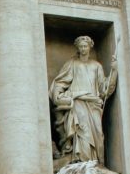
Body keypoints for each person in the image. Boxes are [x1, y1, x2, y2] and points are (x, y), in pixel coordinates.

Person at [49, 35, 117, 166]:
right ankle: (83, 163)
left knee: (98, 134)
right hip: (78, 103)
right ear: (78, 48)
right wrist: (58, 95)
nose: (83, 49)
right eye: (81, 47)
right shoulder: (71, 64)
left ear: (90, 47)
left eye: (85, 46)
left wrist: (114, 71)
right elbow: (60, 82)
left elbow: (104, 89)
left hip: (94, 104)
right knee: (82, 132)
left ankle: (97, 164)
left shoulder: (96, 66)